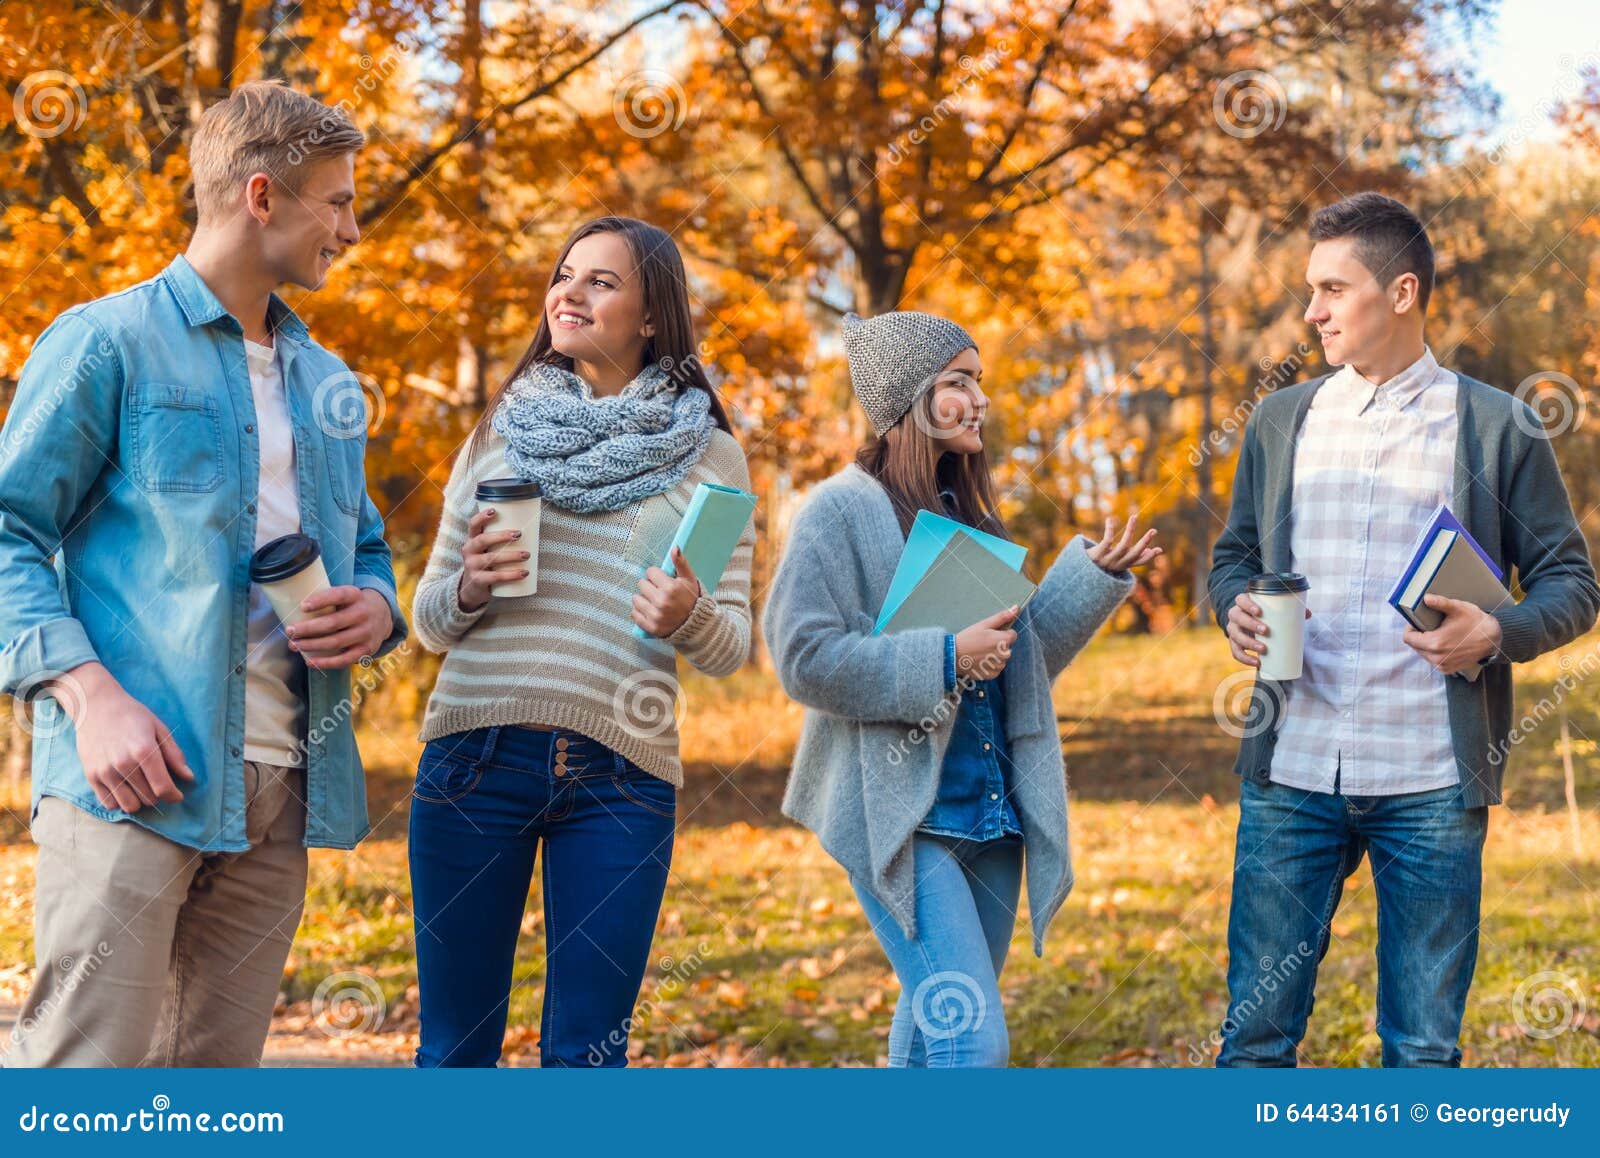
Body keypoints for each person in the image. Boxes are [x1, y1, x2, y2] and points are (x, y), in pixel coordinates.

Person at [0, 81, 407, 1067]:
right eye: (338, 201)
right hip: (135, 786)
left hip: (279, 798)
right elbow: (9, 530)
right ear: (261, 196)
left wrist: (377, 611)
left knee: (211, 1099)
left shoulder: (327, 382)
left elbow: (367, 546)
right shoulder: (108, 343)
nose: (351, 229)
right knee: (84, 1088)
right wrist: (87, 696)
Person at [1208, 191, 1600, 1067]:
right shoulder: (1282, 422)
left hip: (1430, 781)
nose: (1311, 312)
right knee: (1254, 1040)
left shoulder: (1497, 425)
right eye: (1310, 291)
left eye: (1332, 291)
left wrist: (1496, 633)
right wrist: (1233, 604)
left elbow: (1573, 584)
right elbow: (1233, 555)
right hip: (1291, 770)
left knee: (1423, 1050)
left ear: (1401, 293)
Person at [764, 310, 1159, 1066]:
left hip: (990, 810)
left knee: (934, 1032)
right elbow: (802, 656)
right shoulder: (837, 510)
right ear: (908, 400)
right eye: (958, 383)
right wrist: (944, 656)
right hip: (902, 818)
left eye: (979, 381)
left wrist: (1094, 579)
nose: (979, 399)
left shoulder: (960, 512)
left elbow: (1015, 662)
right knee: (972, 1043)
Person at [408, 216, 755, 1067]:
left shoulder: (710, 458)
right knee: (455, 1053)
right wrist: (469, 587)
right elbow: (425, 620)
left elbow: (732, 644)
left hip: (622, 776)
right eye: (565, 274)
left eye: (601, 280)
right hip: (472, 760)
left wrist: (690, 618)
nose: (570, 291)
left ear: (650, 318)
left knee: (587, 1061)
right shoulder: (501, 430)